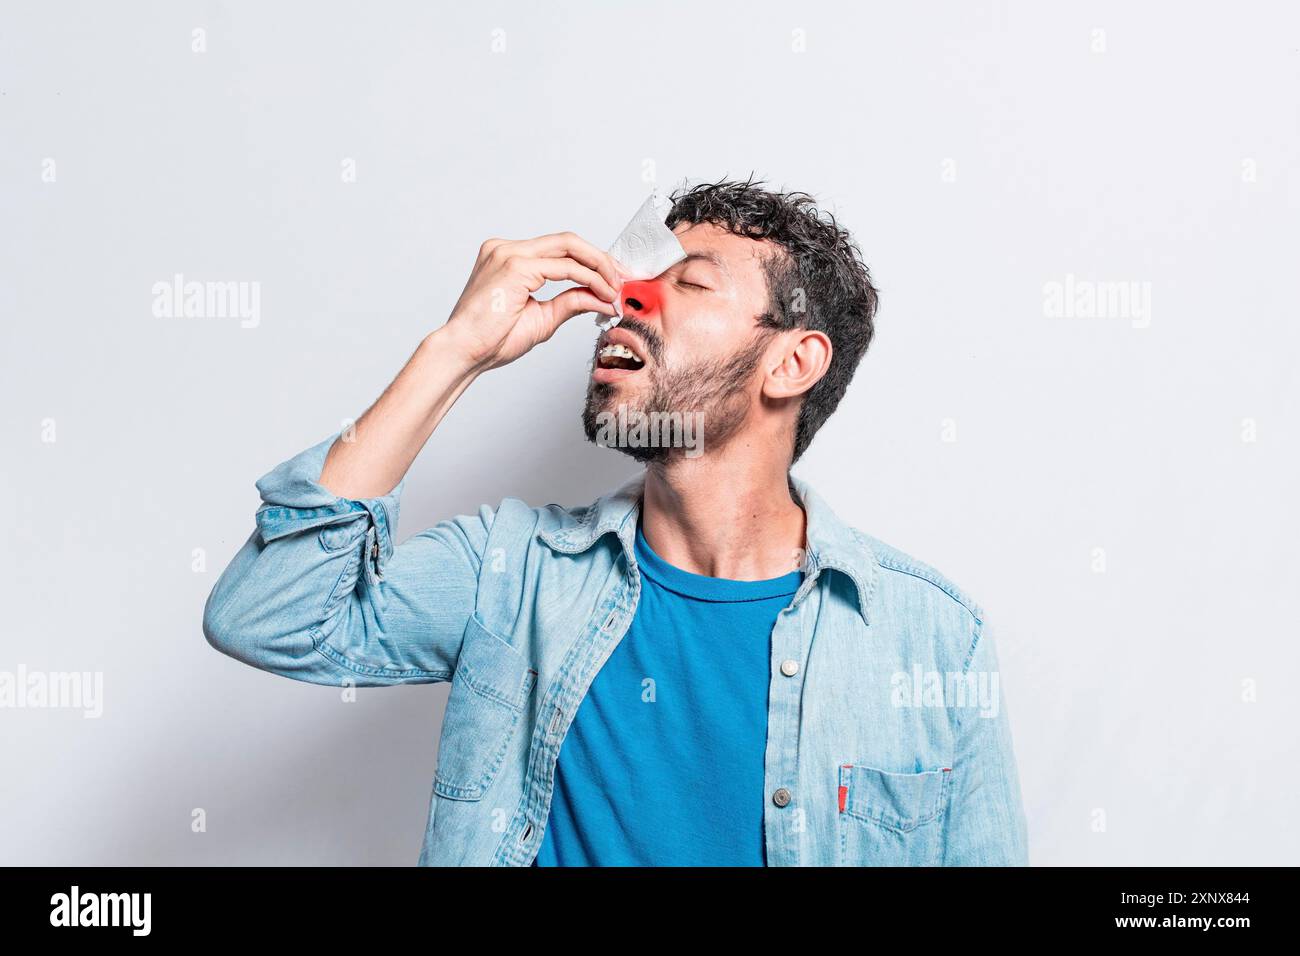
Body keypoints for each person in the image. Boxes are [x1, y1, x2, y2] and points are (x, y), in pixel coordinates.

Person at [203, 177, 1029, 866]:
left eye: (690, 282)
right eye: (639, 274)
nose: (623, 300)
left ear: (792, 362)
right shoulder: (510, 569)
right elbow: (269, 614)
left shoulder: (930, 637)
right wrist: (455, 351)